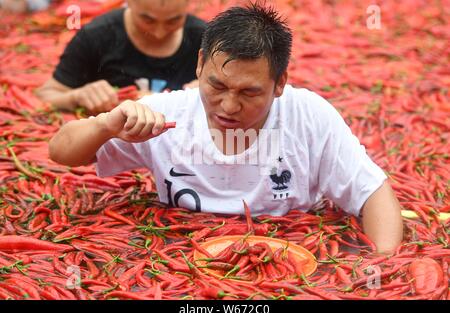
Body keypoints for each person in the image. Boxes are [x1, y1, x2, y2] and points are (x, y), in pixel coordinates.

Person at [49, 3, 404, 254]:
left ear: (280, 83)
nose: (229, 106)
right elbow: (62, 152)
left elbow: (372, 194)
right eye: (217, 87)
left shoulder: (308, 116)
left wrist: (382, 266)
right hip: (181, 260)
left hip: (289, 259)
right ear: (200, 65)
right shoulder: (167, 114)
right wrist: (107, 125)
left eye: (250, 92)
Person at [36, 0, 206, 114]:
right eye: (147, 19)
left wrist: (211, 90)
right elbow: (45, 95)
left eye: (173, 21)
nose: (159, 33)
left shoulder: (205, 39)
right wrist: (76, 96)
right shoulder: (97, 35)